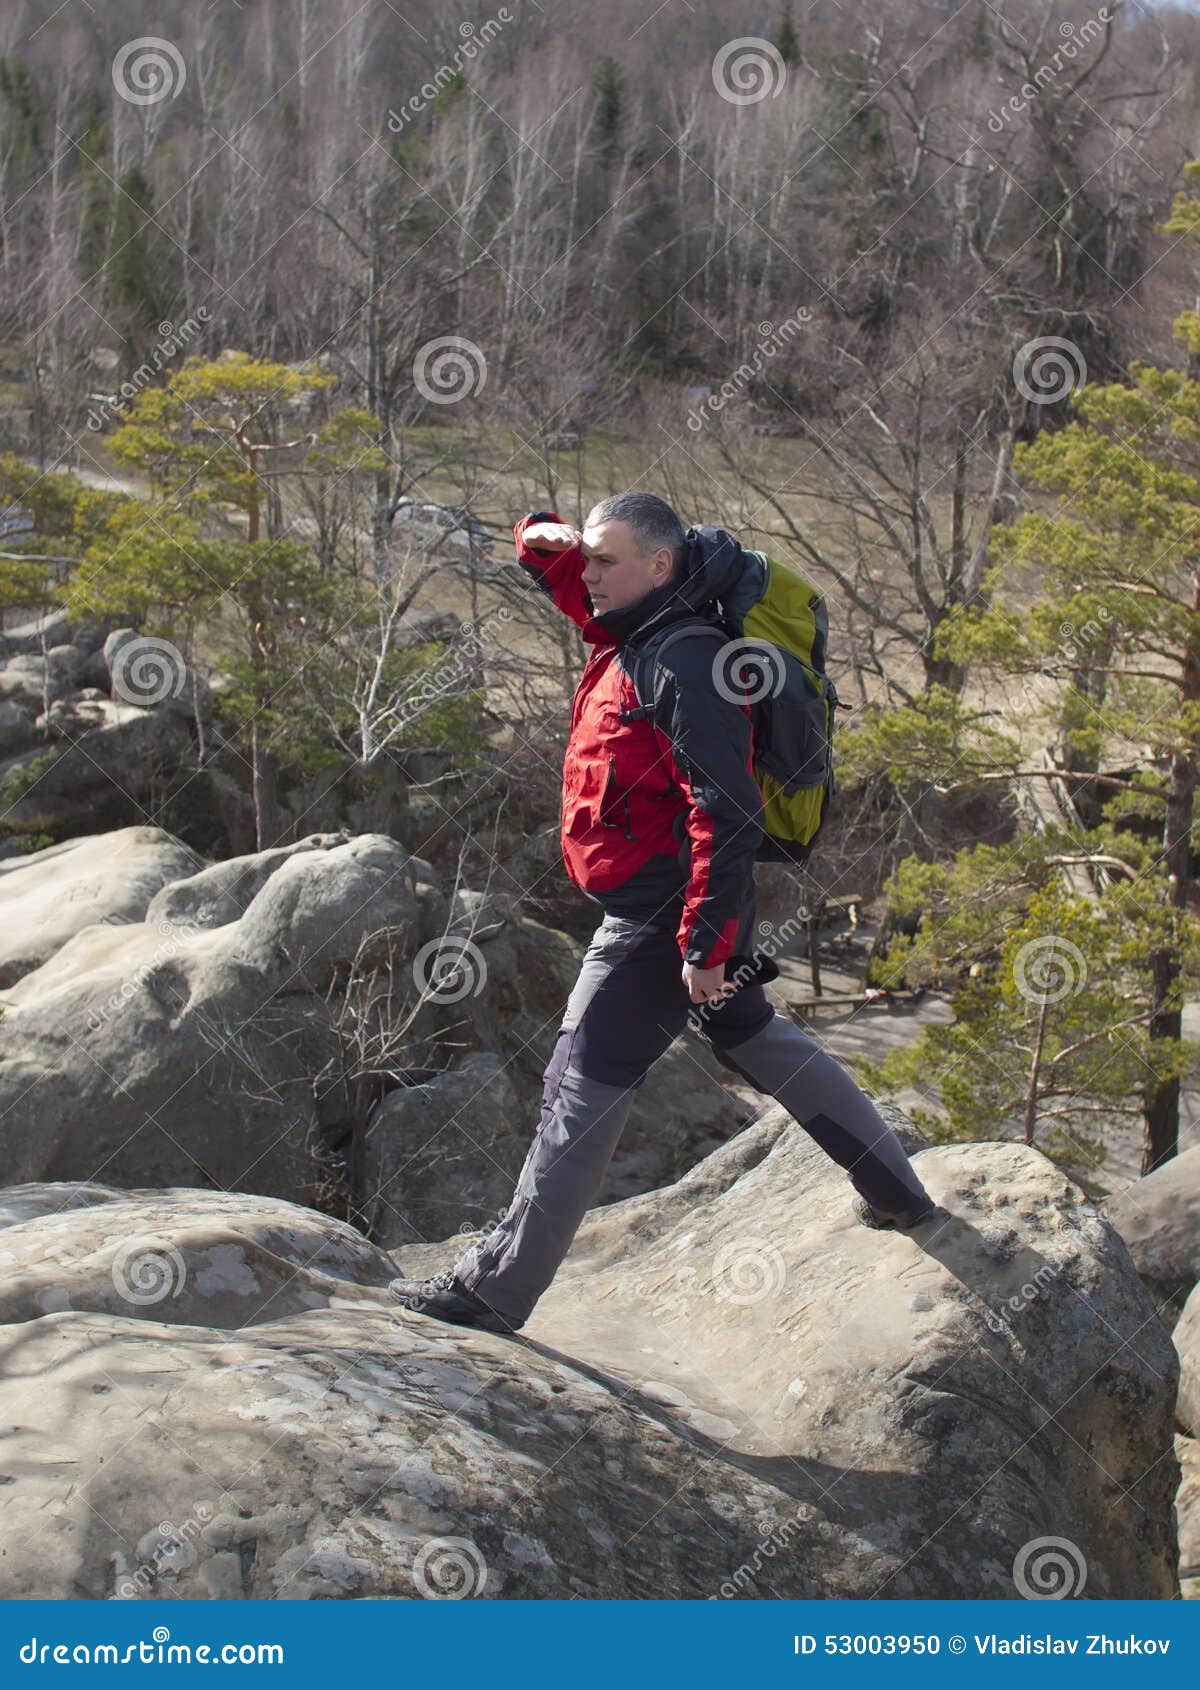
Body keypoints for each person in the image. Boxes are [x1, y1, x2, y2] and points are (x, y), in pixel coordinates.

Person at [388, 492, 941, 1336]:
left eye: (606, 560)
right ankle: (897, 1190)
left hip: (663, 916)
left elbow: (728, 814)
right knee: (758, 1039)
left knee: (578, 1089)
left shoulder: (684, 661)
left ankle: (496, 1290)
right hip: (673, 906)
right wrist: (542, 530)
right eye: (590, 557)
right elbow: (558, 571)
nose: (589, 574)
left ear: (661, 566)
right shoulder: (632, 620)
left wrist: (705, 943)